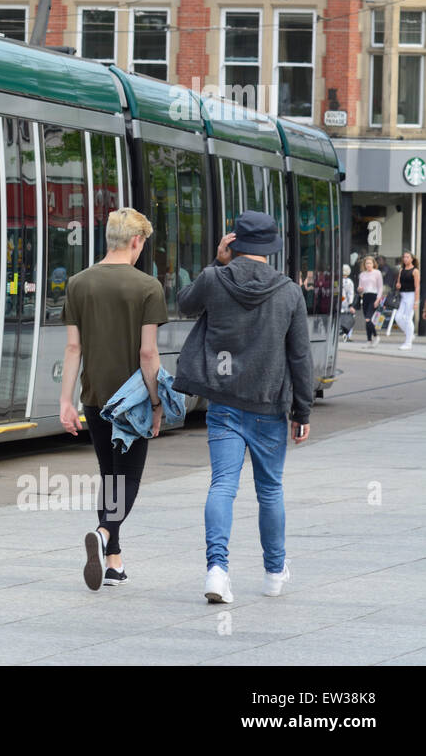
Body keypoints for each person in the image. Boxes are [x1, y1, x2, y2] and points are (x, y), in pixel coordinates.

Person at [174, 211, 312, 603]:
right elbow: (300, 358)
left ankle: (217, 571)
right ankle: (273, 572)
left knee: (222, 486)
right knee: (270, 491)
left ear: (233, 241)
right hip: (269, 407)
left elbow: (184, 304)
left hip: (223, 403)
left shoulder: (214, 280)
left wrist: (218, 262)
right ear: (272, 247)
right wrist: (302, 413)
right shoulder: (288, 292)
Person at [59, 207, 167, 590]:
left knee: (109, 476)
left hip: (94, 398)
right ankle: (104, 533)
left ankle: (114, 564)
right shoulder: (148, 287)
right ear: (136, 241)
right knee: (130, 477)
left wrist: (65, 402)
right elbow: (148, 355)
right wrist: (156, 403)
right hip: (132, 401)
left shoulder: (78, 283)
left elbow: (74, 349)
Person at [393, 251, 419, 350]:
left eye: (407, 257)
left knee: (408, 319)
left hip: (411, 296)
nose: (405, 259)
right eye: (404, 257)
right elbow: (398, 284)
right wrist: (398, 285)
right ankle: (410, 334)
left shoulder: (415, 271)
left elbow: (417, 287)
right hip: (403, 295)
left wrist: (416, 301)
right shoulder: (401, 270)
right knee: (398, 317)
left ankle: (408, 343)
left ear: (412, 259)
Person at [357, 255, 383, 347]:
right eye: (367, 263)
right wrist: (359, 289)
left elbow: (380, 287)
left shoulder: (377, 273)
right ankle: (369, 340)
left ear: (373, 264)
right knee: (367, 320)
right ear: (364, 264)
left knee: (368, 319)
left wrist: (378, 299)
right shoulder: (362, 274)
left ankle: (375, 336)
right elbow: (360, 288)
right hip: (365, 296)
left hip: (374, 296)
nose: (368, 265)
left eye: (370, 263)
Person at [338, 264, 356, 342]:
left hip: (338, 303)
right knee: (350, 318)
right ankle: (347, 335)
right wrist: (351, 304)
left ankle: (342, 332)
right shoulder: (349, 282)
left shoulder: (336, 279)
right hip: (345, 303)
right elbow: (350, 293)